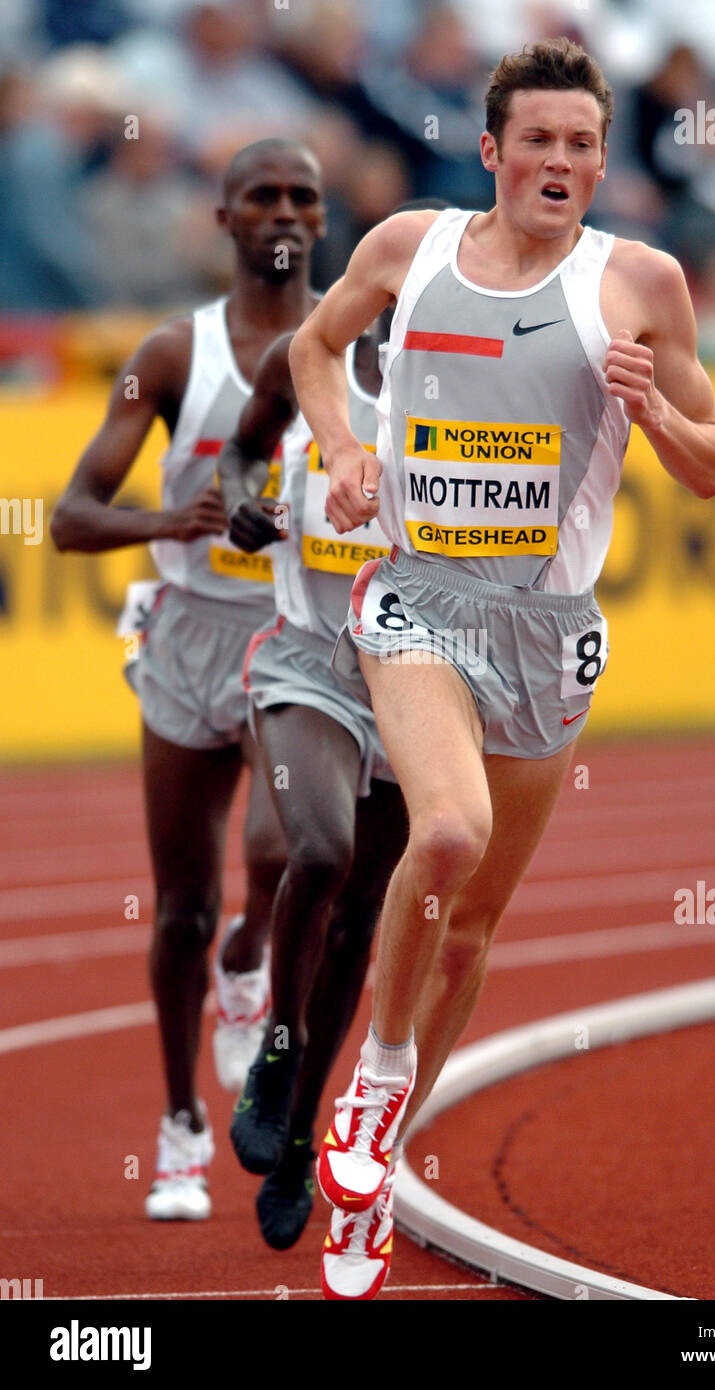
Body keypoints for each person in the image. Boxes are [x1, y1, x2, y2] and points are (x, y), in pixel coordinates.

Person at [288, 37, 715, 1299]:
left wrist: (657, 419)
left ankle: (369, 1194)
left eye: (580, 142)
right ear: (490, 151)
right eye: (534, 139)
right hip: (419, 599)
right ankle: (371, 1090)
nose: (558, 161)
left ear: (602, 159)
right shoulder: (406, 250)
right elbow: (318, 353)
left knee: (474, 925)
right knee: (445, 834)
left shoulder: (641, 281)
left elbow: (714, 464)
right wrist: (337, 449)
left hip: (549, 632)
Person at [50, 138, 327, 1220]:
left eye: (303, 195)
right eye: (262, 195)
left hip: (290, 630)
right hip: (182, 636)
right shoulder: (172, 353)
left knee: (282, 847)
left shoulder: (342, 345)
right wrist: (175, 517)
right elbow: (73, 515)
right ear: (223, 219)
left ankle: (252, 958)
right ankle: (178, 1126)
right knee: (176, 910)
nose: (285, 212)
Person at [217, 199, 450, 1272]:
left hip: (417, 665)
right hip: (310, 654)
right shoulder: (297, 367)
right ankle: (277, 1043)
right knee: (319, 848)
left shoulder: (456, 390)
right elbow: (239, 463)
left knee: (363, 920)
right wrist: (245, 506)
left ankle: (305, 1127)